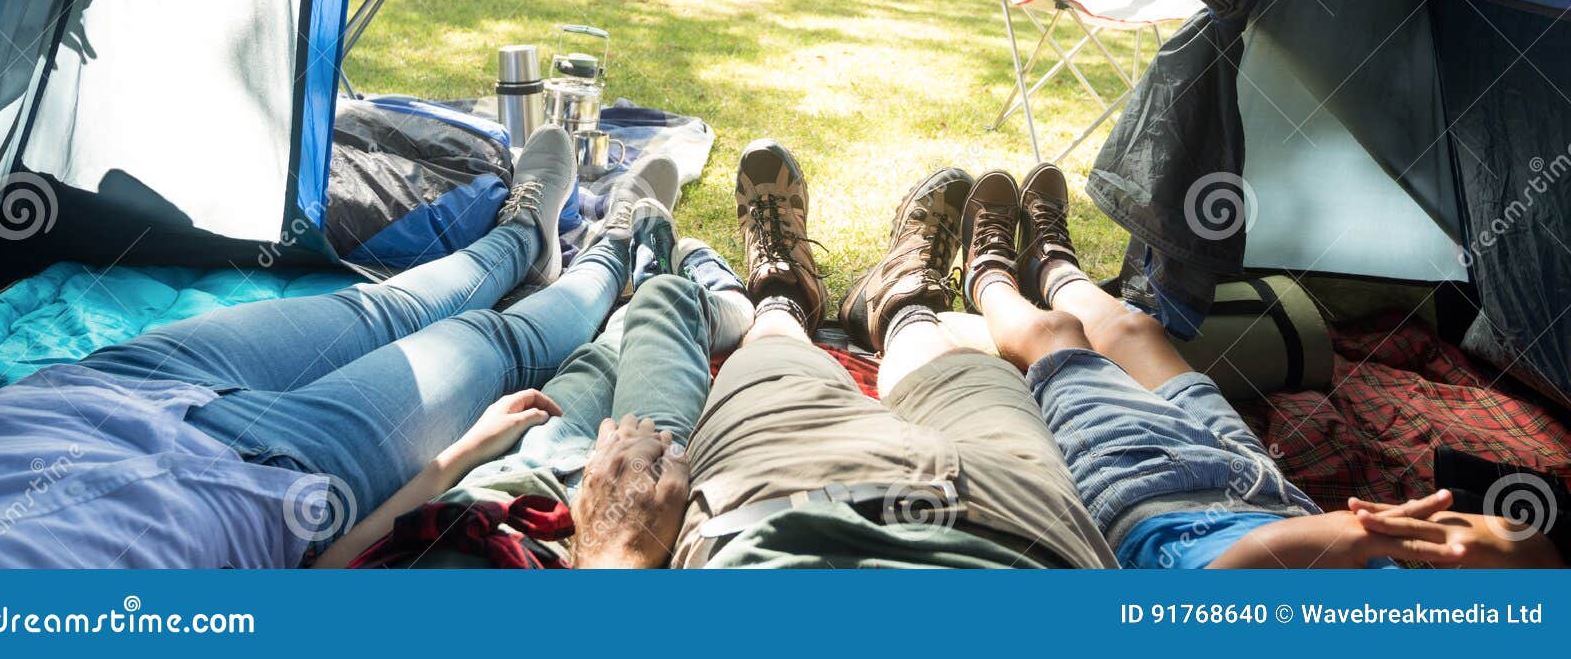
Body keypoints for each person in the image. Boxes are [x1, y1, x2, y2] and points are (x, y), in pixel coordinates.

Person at [0, 128, 678, 569]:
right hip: (272, 481)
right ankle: (619, 247)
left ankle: (525, 232)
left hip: (92, 394)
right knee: (488, 340)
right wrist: (450, 462)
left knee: (384, 307)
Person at [953, 164, 1566, 569]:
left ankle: (985, 274)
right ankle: (1055, 263)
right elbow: (1543, 565)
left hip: (1155, 505)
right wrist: (1481, 544)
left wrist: (1353, 537)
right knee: (1137, 330)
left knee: (1055, 338)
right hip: (1260, 487)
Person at [569, 140, 1119, 569]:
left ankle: (784, 297)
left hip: (779, 507)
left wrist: (611, 555)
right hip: (1030, 527)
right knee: (961, 371)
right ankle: (903, 303)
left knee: (776, 354)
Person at [323, 199, 753, 568]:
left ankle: (639, 280)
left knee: (603, 353)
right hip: (611, 528)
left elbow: (331, 568)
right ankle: (723, 299)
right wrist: (616, 549)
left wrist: (464, 451)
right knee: (665, 304)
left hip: (506, 482)